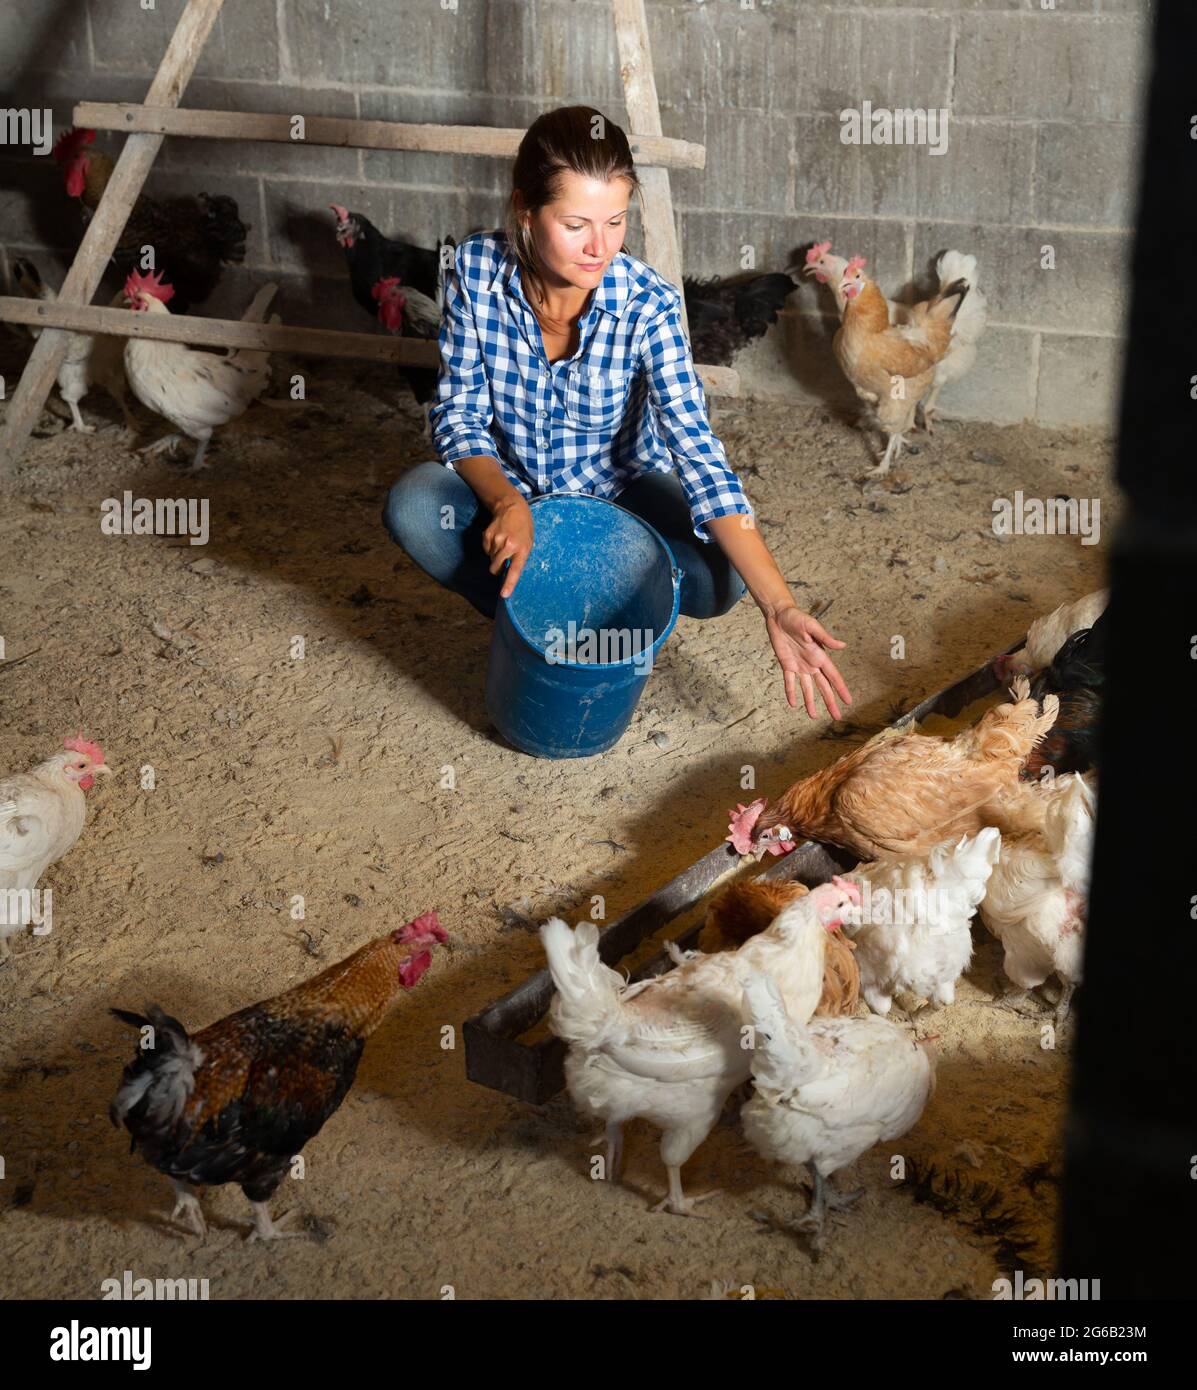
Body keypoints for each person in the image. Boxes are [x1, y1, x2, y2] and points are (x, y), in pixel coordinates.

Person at [384, 105, 851, 720]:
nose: (600, 246)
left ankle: (585, 592)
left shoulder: (648, 303)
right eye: (575, 224)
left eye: (616, 220)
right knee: (416, 503)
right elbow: (459, 417)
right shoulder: (474, 271)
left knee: (720, 577)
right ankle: (531, 614)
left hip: (618, 498)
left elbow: (698, 451)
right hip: (518, 492)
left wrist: (780, 605)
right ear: (526, 211)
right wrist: (506, 502)